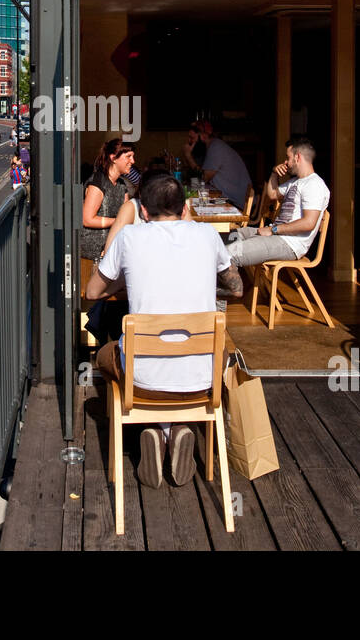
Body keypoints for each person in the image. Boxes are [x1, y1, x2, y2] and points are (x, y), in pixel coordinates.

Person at [83, 172, 230, 489]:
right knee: (222, 349)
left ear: (144, 212)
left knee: (109, 355)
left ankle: (154, 430)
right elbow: (236, 286)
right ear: (186, 207)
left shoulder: (129, 239)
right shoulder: (208, 236)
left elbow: (92, 293)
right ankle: (173, 428)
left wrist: (127, 276)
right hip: (203, 381)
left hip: (143, 381)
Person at [221, 136, 331, 298]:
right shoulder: (296, 182)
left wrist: (273, 229)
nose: (286, 162)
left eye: (288, 158)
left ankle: (229, 291)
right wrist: (274, 173)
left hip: (289, 243)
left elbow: (309, 223)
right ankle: (218, 285)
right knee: (227, 237)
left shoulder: (314, 185)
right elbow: (272, 194)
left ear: (297, 156)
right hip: (277, 236)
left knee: (230, 253)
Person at [79, 137, 136, 262]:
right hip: (93, 254)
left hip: (111, 249)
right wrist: (118, 221)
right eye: (128, 156)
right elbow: (87, 220)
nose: (133, 161)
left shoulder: (121, 184)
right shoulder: (98, 182)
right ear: (113, 158)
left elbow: (126, 214)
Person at [183, 120, 253, 212]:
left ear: (203, 136)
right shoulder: (209, 148)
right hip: (224, 198)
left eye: (192, 138)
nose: (189, 142)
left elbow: (203, 178)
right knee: (192, 199)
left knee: (194, 205)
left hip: (235, 204)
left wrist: (188, 155)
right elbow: (197, 181)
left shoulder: (216, 148)